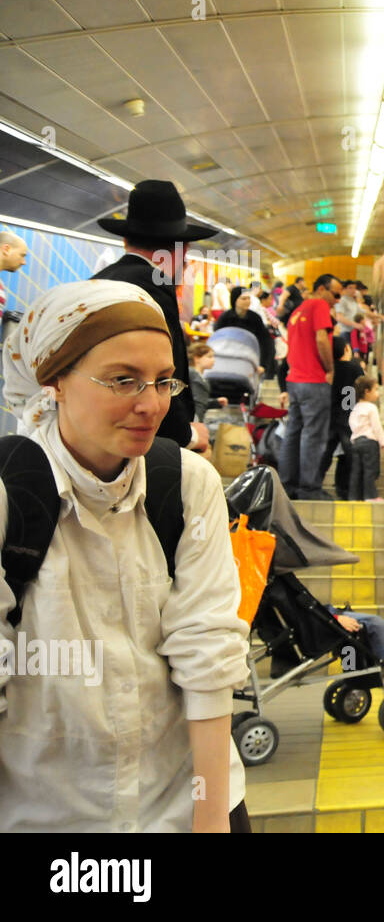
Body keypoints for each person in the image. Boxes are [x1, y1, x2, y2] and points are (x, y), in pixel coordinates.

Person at [0, 280, 250, 832]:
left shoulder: (186, 483)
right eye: (123, 381)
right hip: (52, 821)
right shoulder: (8, 494)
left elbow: (206, 645)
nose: (151, 405)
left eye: (163, 381)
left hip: (184, 803)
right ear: (55, 381)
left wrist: (210, 820)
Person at [93, 180, 211, 455]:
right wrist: (189, 436)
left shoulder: (99, 281)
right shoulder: (155, 290)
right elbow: (159, 379)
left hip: (99, 434)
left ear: (125, 241)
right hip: (145, 442)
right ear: (181, 250)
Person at [279, 275, 338, 501]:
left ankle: (287, 485)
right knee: (314, 435)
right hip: (314, 380)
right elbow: (322, 338)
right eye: (335, 294)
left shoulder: (297, 311)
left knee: (293, 432)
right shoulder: (320, 305)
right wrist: (329, 369)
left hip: (294, 380)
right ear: (321, 289)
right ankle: (309, 489)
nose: (336, 300)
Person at [317, 336, 364, 500]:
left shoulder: (328, 368)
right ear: (346, 349)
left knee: (325, 453)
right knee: (350, 454)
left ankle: (314, 485)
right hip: (347, 417)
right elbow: (354, 392)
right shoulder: (354, 368)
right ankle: (348, 490)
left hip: (328, 417)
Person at [214, 286, 275, 376]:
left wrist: (263, 365)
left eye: (249, 298)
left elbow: (265, 341)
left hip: (248, 359)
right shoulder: (225, 317)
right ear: (235, 300)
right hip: (227, 359)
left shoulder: (255, 318)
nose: (247, 301)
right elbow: (216, 339)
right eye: (243, 299)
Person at [348, 376, 384, 502]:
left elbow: (351, 423)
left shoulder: (355, 408)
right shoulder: (371, 408)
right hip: (369, 442)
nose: (377, 394)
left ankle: (354, 497)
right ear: (367, 391)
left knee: (356, 472)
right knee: (370, 470)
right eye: (376, 390)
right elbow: (376, 427)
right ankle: (370, 496)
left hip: (356, 442)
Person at [186, 342, 228, 421]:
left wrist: (215, 402)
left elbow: (200, 401)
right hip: (193, 420)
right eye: (209, 357)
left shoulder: (198, 376)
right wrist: (196, 422)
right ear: (197, 358)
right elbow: (194, 402)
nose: (213, 360)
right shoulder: (191, 373)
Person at [332, 280, 364, 348]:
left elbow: (362, 311)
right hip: (345, 332)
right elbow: (339, 317)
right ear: (344, 289)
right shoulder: (342, 300)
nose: (353, 290)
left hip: (352, 332)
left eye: (354, 288)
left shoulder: (353, 300)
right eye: (350, 288)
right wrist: (355, 324)